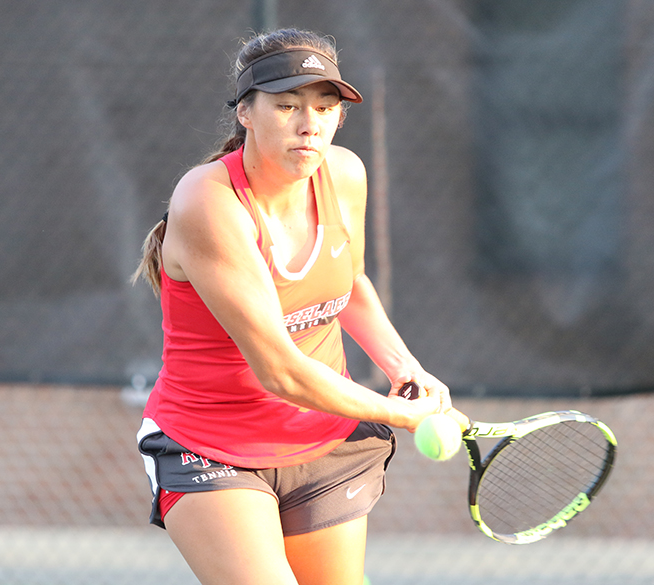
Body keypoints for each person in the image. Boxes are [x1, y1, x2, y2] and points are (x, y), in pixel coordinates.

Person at [133, 28, 451, 585]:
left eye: (325, 108)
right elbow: (278, 370)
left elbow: (348, 285)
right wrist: (396, 413)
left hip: (323, 444)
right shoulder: (208, 201)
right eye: (287, 106)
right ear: (246, 114)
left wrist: (405, 368)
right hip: (211, 448)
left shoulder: (345, 174)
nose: (310, 124)